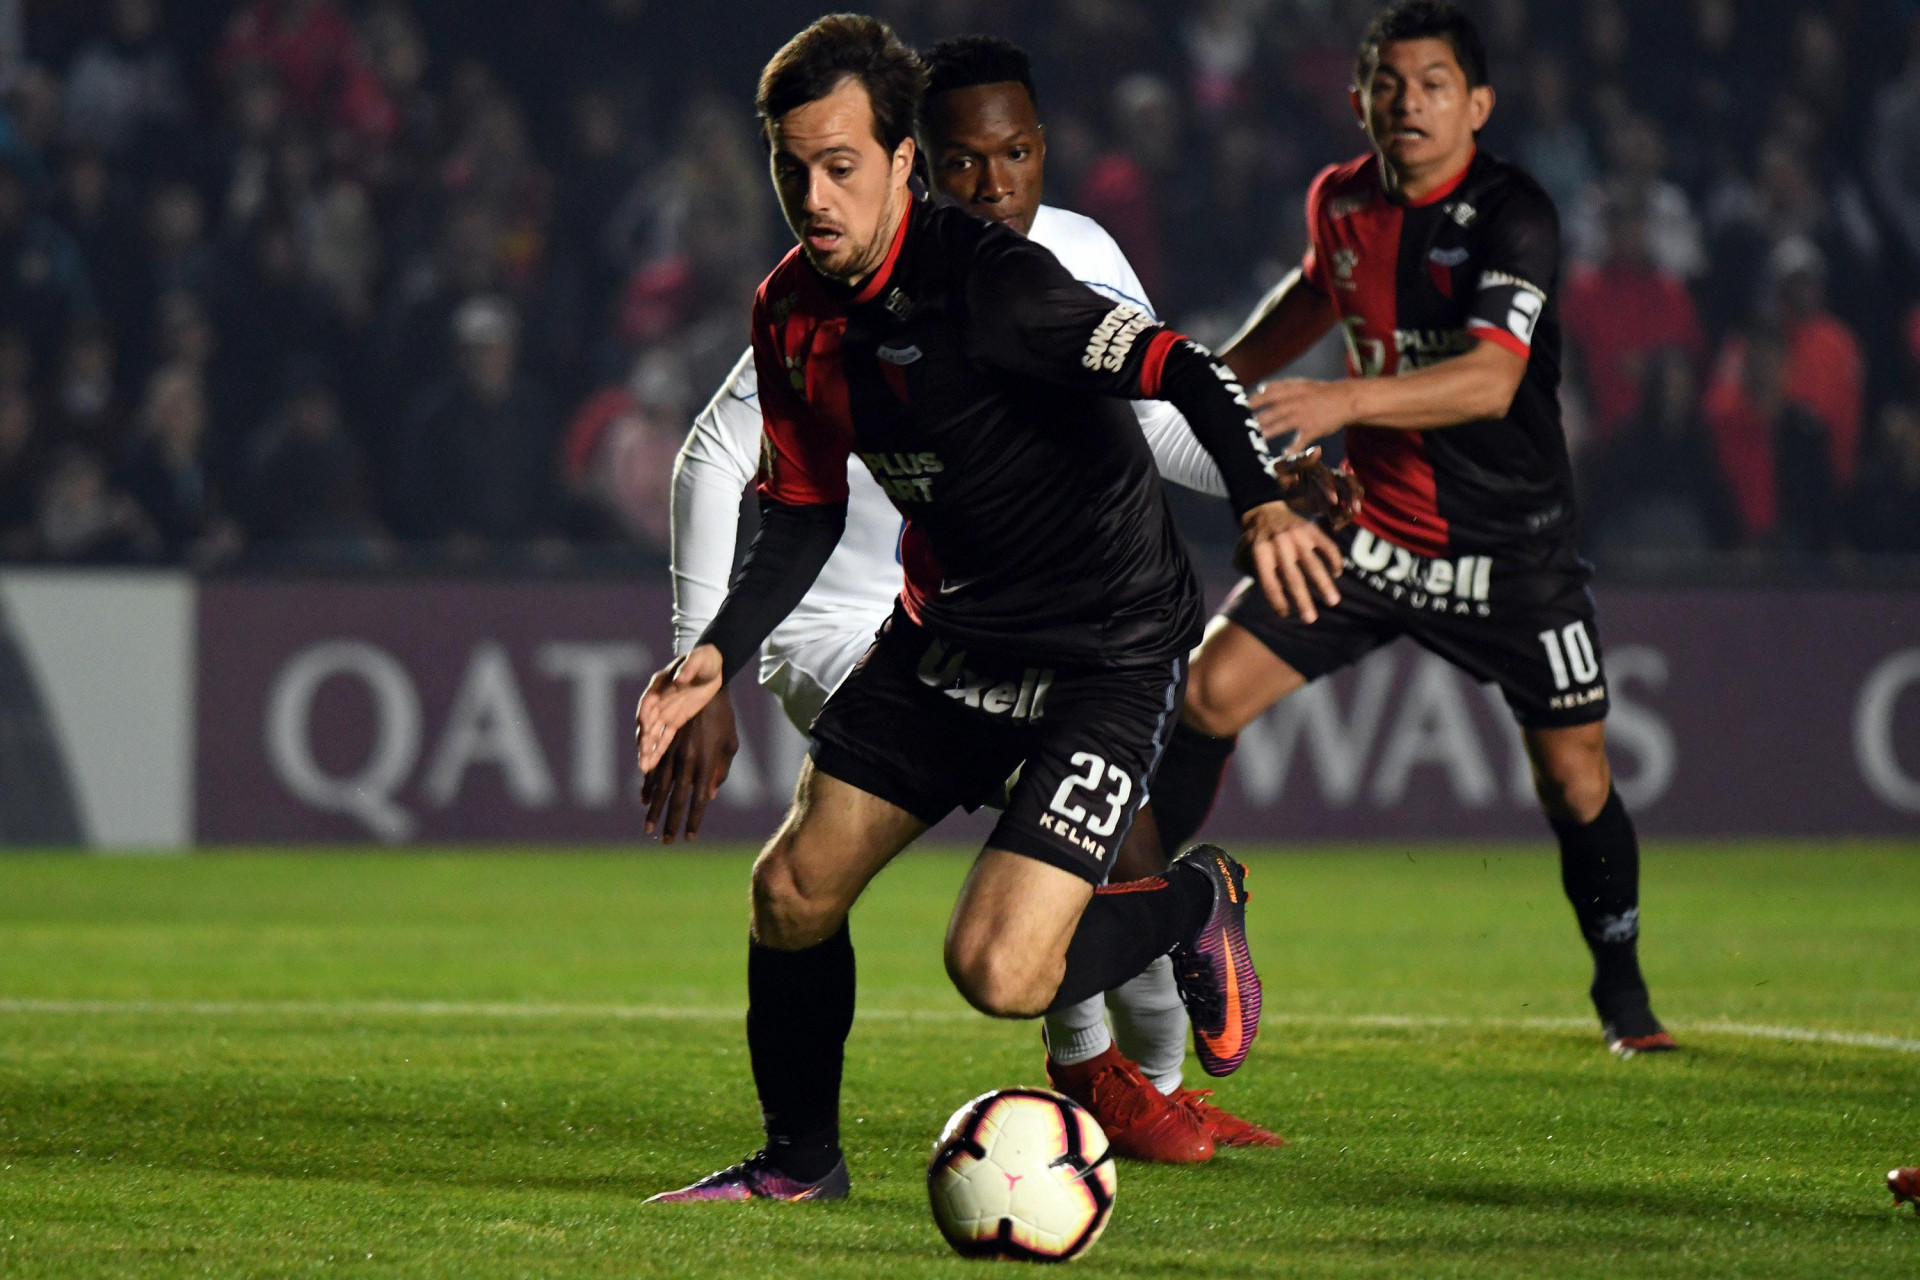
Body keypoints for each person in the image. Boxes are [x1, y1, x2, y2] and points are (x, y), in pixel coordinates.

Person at [638, 14, 1326, 1203]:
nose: (814, 194)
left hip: (1103, 647)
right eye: (792, 166)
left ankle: (1198, 899)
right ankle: (799, 1165)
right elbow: (798, 509)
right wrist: (713, 657)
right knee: (791, 889)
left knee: (1002, 971)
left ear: (904, 160)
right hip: (951, 636)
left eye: (841, 163)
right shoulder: (794, 312)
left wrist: (1262, 502)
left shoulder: (997, 282)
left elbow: (1185, 372)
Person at [1116, 0, 1677, 1058]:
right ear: (1358, 94)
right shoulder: (1342, 200)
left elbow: (1491, 378)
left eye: (1430, 84)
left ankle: (1625, 996)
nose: (1406, 102)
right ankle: (1150, 915)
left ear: (1478, 103)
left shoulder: (1515, 213)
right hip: (1372, 534)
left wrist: (1340, 400)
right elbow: (1317, 292)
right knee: (1207, 690)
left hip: (1512, 551)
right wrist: (1215, 379)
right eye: (1387, 81)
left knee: (1576, 776)